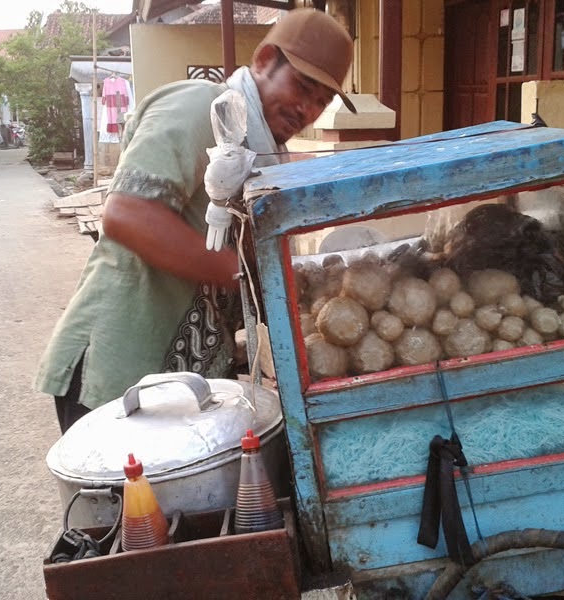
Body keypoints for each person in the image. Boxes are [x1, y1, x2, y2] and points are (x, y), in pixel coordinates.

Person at [35, 8, 355, 433]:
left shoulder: (260, 154)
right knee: (131, 501)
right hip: (119, 371)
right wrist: (241, 276)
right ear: (263, 61)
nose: (308, 109)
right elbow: (126, 214)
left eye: (323, 101)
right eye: (302, 86)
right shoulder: (201, 108)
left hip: (185, 387)